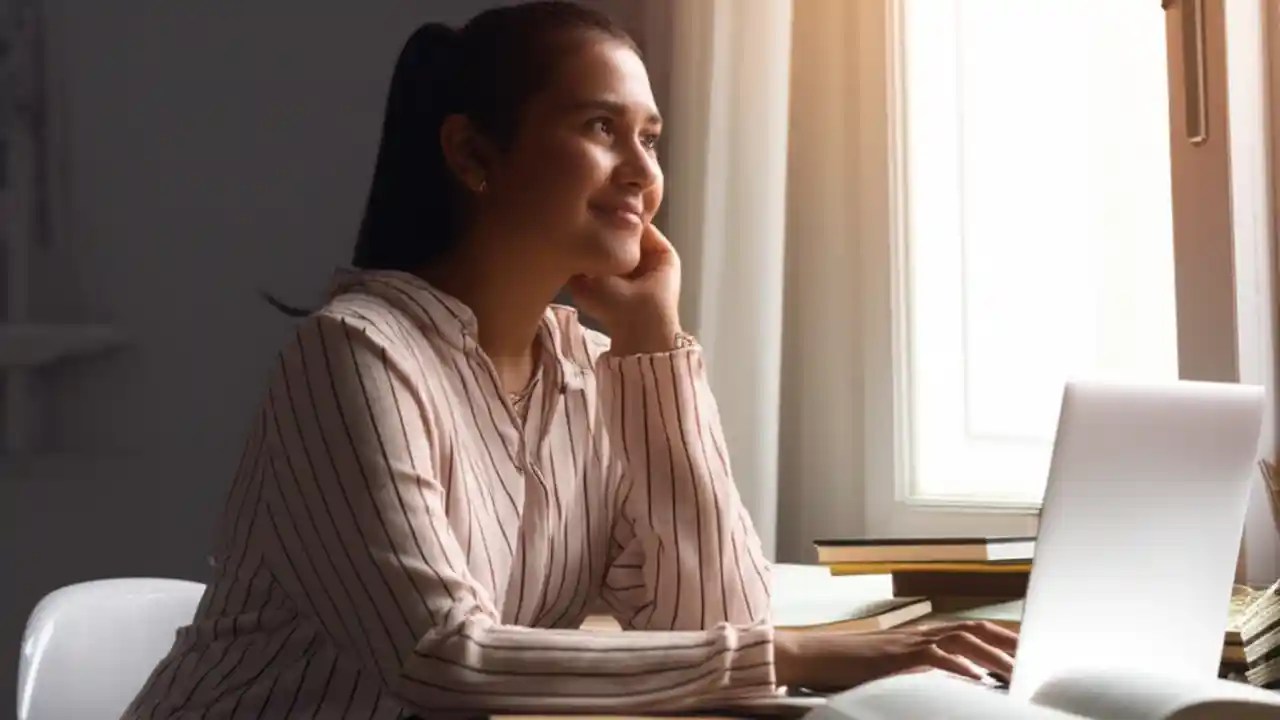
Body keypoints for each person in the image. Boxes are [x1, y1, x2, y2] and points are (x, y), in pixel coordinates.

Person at [123, 3, 1016, 717]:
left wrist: (652, 350)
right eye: (601, 127)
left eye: (652, 138)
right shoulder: (355, 355)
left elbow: (716, 627)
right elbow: (444, 659)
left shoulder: (595, 368)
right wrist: (809, 649)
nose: (641, 171)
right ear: (475, 154)